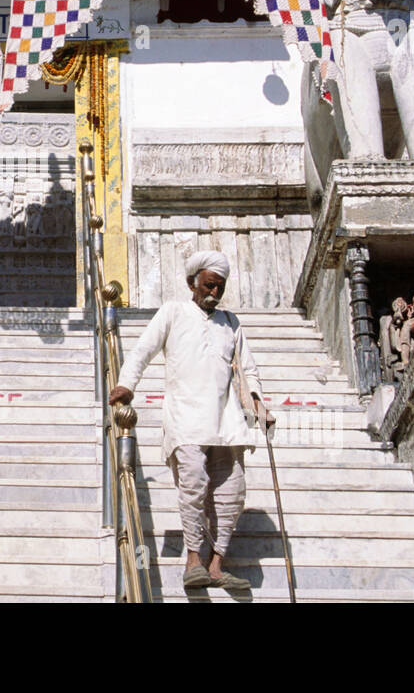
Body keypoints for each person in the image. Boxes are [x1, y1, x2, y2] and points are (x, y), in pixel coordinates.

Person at [109, 251, 274, 590]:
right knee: (194, 484)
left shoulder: (231, 322)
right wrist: (127, 384)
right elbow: (143, 350)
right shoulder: (173, 312)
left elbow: (248, 368)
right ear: (192, 283)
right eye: (209, 285)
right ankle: (193, 560)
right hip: (185, 415)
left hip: (226, 419)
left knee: (232, 493)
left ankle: (216, 563)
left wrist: (257, 402)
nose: (215, 292)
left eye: (220, 287)